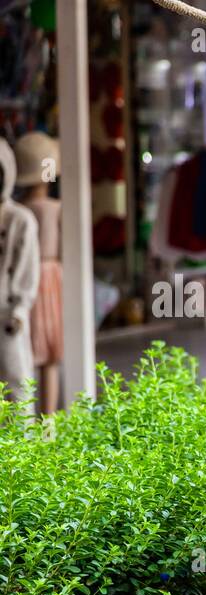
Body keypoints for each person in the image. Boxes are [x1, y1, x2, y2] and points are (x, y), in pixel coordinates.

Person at [15, 131, 62, 416]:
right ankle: (49, 421)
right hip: (51, 279)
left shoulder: (20, 210)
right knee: (51, 359)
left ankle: (27, 417)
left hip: (27, 280)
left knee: (28, 355)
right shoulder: (56, 209)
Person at [0, 138, 39, 417]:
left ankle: (22, 454)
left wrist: (20, 310)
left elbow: (27, 271)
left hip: (7, 317)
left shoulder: (20, 219)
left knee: (18, 385)